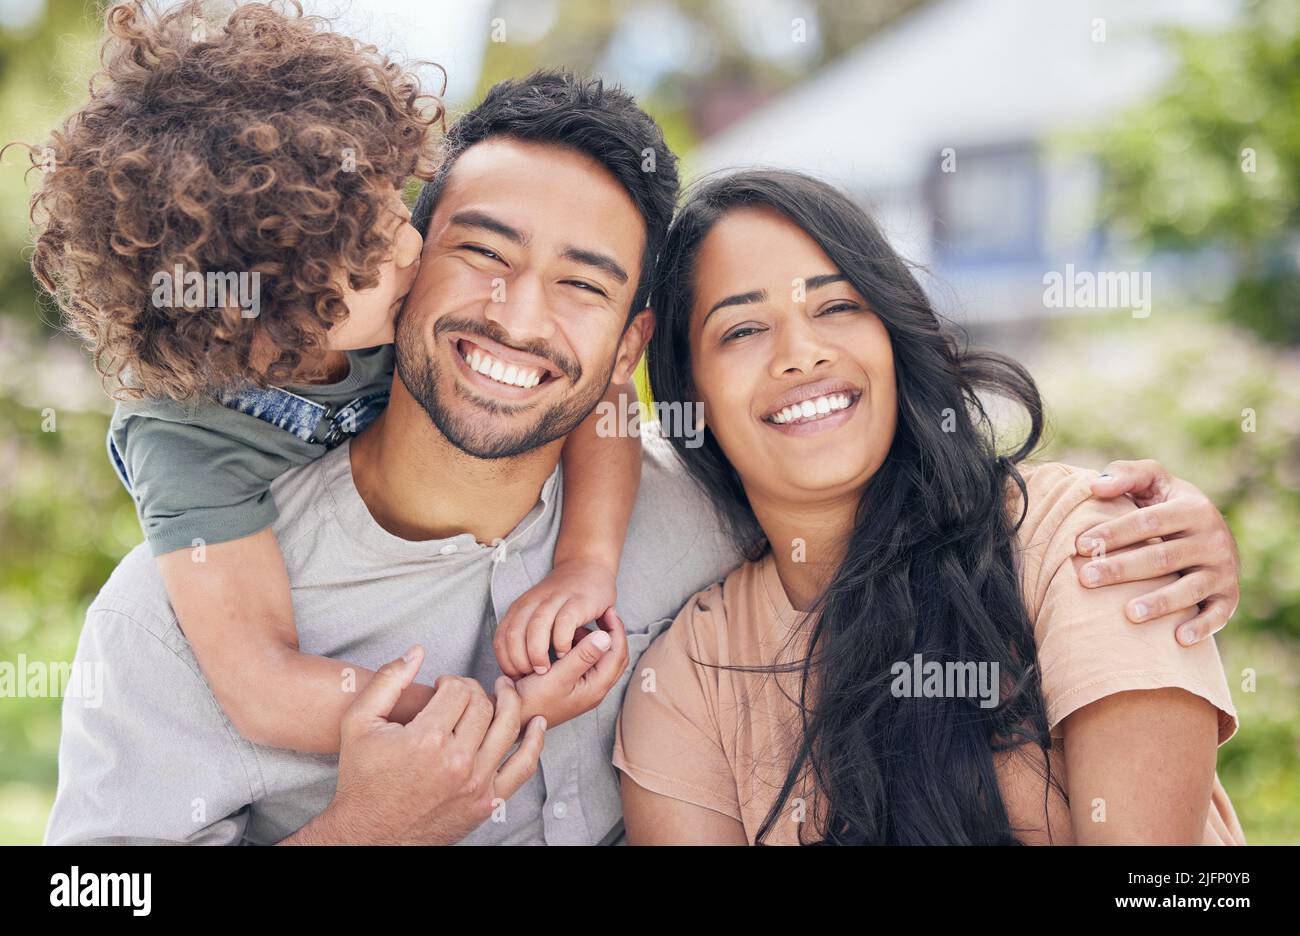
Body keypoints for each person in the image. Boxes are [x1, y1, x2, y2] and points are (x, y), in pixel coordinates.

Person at [41, 58, 1238, 843]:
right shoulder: (177, 610)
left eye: (585, 285)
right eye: (483, 255)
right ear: (402, 259)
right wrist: (363, 832)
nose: (518, 318)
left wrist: (1149, 520)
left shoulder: (715, 542)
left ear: (630, 347)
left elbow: (924, 509)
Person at [25, 0, 640, 755]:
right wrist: (489, 712)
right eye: (362, 251)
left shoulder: (396, 308)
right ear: (258, 303)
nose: (413, 246)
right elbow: (265, 689)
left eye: (390, 205)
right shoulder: (184, 441)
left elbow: (599, 382)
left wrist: (586, 561)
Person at [616, 170, 1244, 845]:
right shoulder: (687, 683)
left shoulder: (1083, 542)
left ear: (892, 332)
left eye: (837, 308)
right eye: (742, 330)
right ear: (690, 391)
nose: (801, 356)